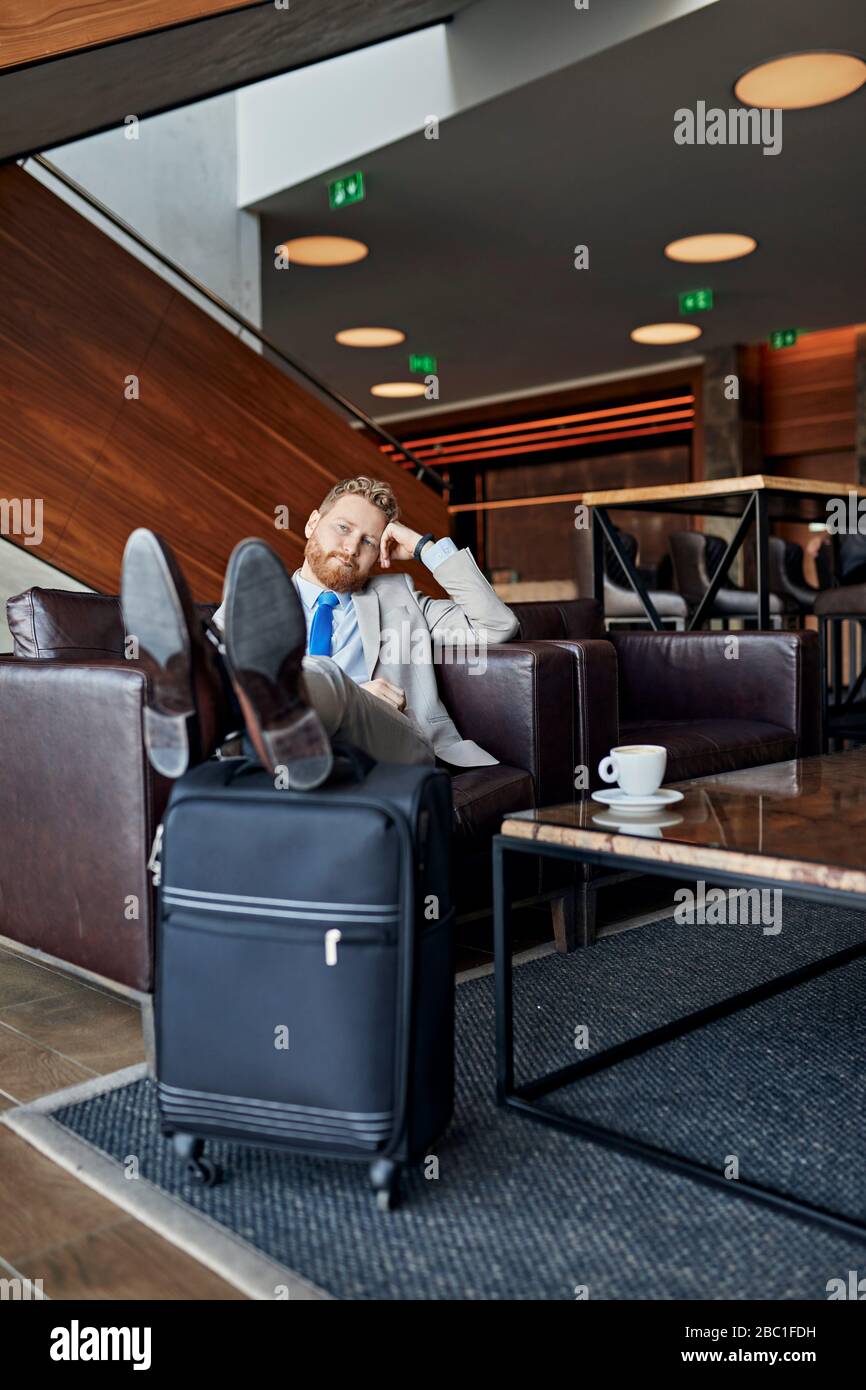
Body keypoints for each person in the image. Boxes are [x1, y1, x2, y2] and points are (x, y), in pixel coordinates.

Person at [120, 475, 518, 788]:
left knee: (327, 678)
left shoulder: (401, 598)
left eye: (368, 541)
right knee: (225, 661)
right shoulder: (260, 602)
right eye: (342, 528)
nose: (350, 548)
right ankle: (227, 689)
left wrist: (424, 548)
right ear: (312, 523)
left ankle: (212, 715)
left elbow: (497, 625)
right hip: (289, 747)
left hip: (391, 746)